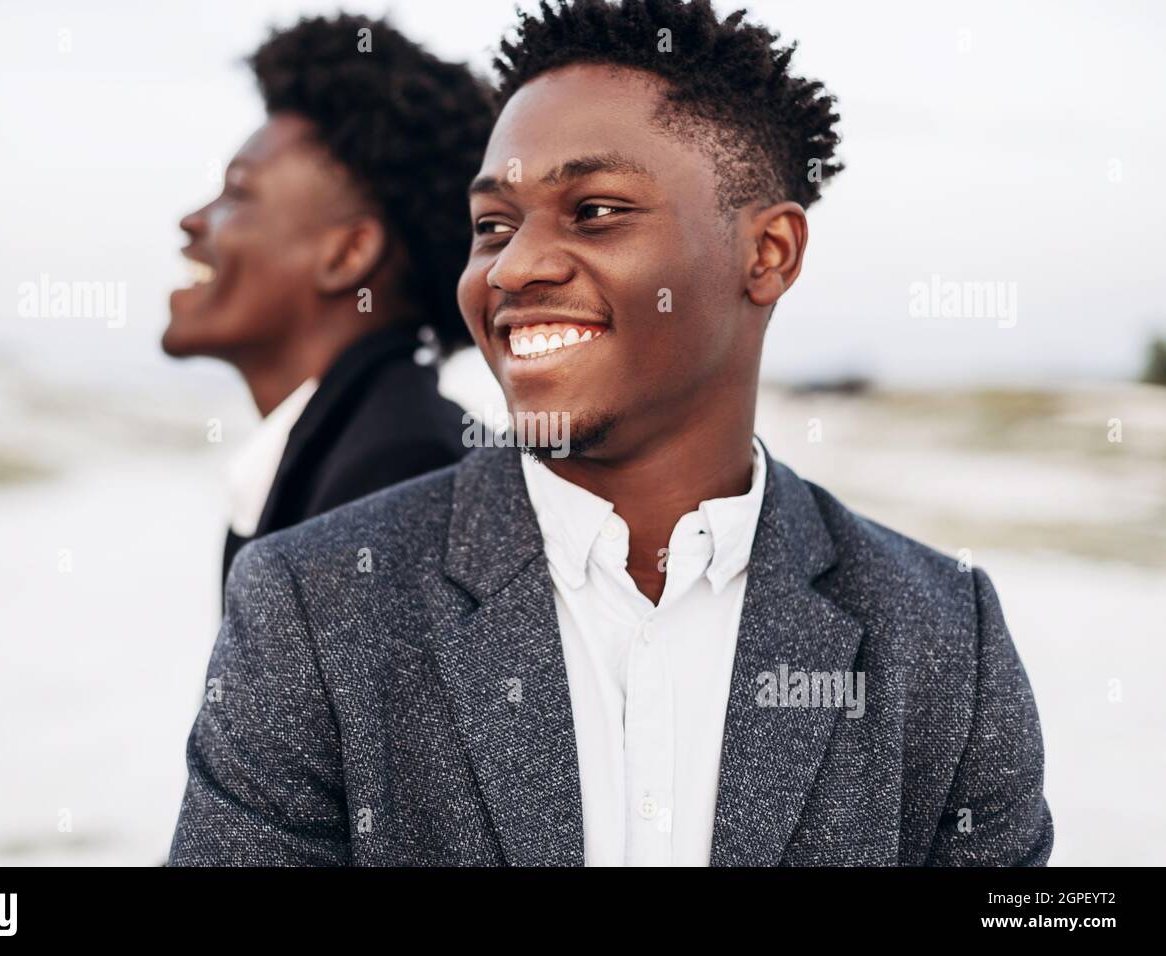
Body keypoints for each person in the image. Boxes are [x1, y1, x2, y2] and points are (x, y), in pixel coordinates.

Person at [170, 0, 1052, 866]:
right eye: (492, 226)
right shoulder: (310, 604)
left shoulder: (942, 635)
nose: (514, 266)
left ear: (769, 253)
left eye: (594, 211)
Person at [162, 14, 492, 594]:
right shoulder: (355, 446)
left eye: (237, 191)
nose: (191, 221)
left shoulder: (398, 476)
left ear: (348, 253)